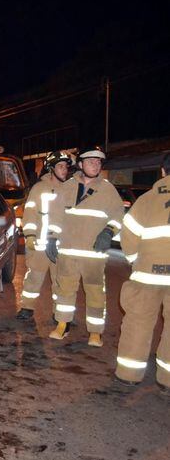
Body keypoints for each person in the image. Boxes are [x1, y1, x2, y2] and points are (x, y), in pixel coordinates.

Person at [47, 146, 123, 346]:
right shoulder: (67, 187)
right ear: (80, 165)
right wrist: (52, 238)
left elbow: (118, 216)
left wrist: (108, 232)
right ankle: (62, 325)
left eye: (98, 162)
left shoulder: (108, 189)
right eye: (91, 161)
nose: (95, 165)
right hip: (68, 252)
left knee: (96, 293)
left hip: (93, 254)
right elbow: (55, 215)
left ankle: (95, 332)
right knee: (65, 290)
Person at [114, 153, 170, 391]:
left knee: (138, 321)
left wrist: (137, 261)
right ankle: (167, 379)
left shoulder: (148, 199)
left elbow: (129, 234)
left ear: (163, 172)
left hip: (148, 273)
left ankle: (129, 373)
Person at [16, 151, 72, 320]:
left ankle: (59, 314)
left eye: (66, 167)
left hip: (61, 246)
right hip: (40, 245)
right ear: (51, 169)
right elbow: (30, 213)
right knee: (34, 277)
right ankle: (27, 307)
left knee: (61, 282)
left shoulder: (70, 190)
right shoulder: (39, 188)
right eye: (60, 166)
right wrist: (30, 236)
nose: (64, 170)